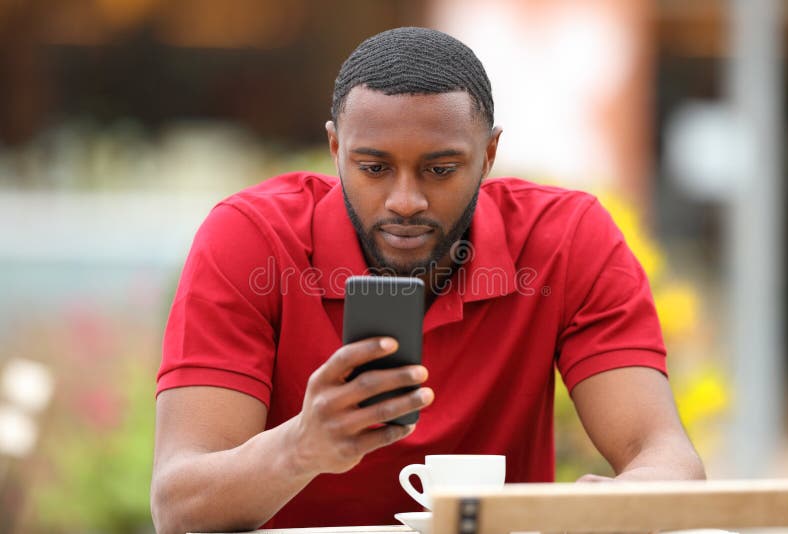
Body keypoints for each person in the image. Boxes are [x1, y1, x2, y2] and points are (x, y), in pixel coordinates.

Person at [150, 26, 705, 534]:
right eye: (374, 168)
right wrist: (302, 445)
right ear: (335, 149)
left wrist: (624, 500)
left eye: (440, 170)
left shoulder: (566, 238)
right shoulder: (249, 239)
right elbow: (179, 505)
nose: (405, 201)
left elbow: (665, 455)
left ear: (488, 155)